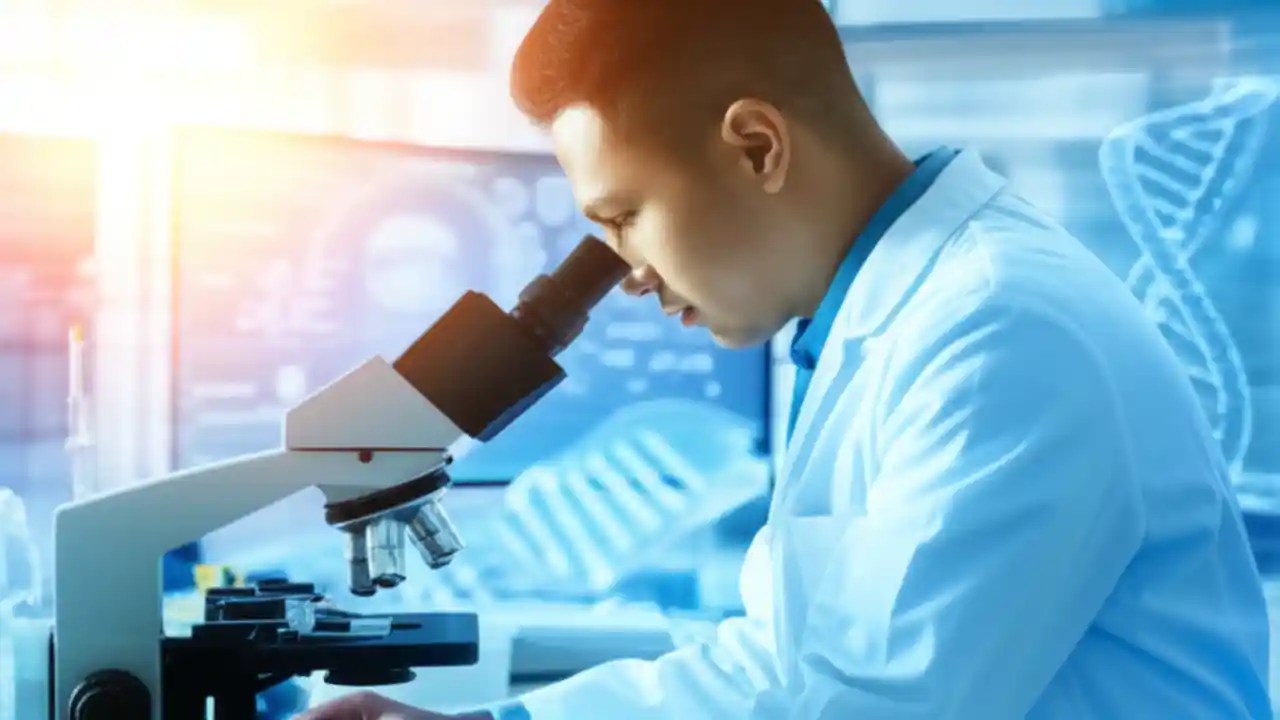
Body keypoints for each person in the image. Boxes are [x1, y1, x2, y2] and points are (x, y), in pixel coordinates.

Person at [298, 1, 1271, 718]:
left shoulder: (997, 335)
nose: (625, 272)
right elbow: (784, 667)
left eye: (624, 216)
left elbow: (870, 710)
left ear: (756, 147)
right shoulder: (891, 318)